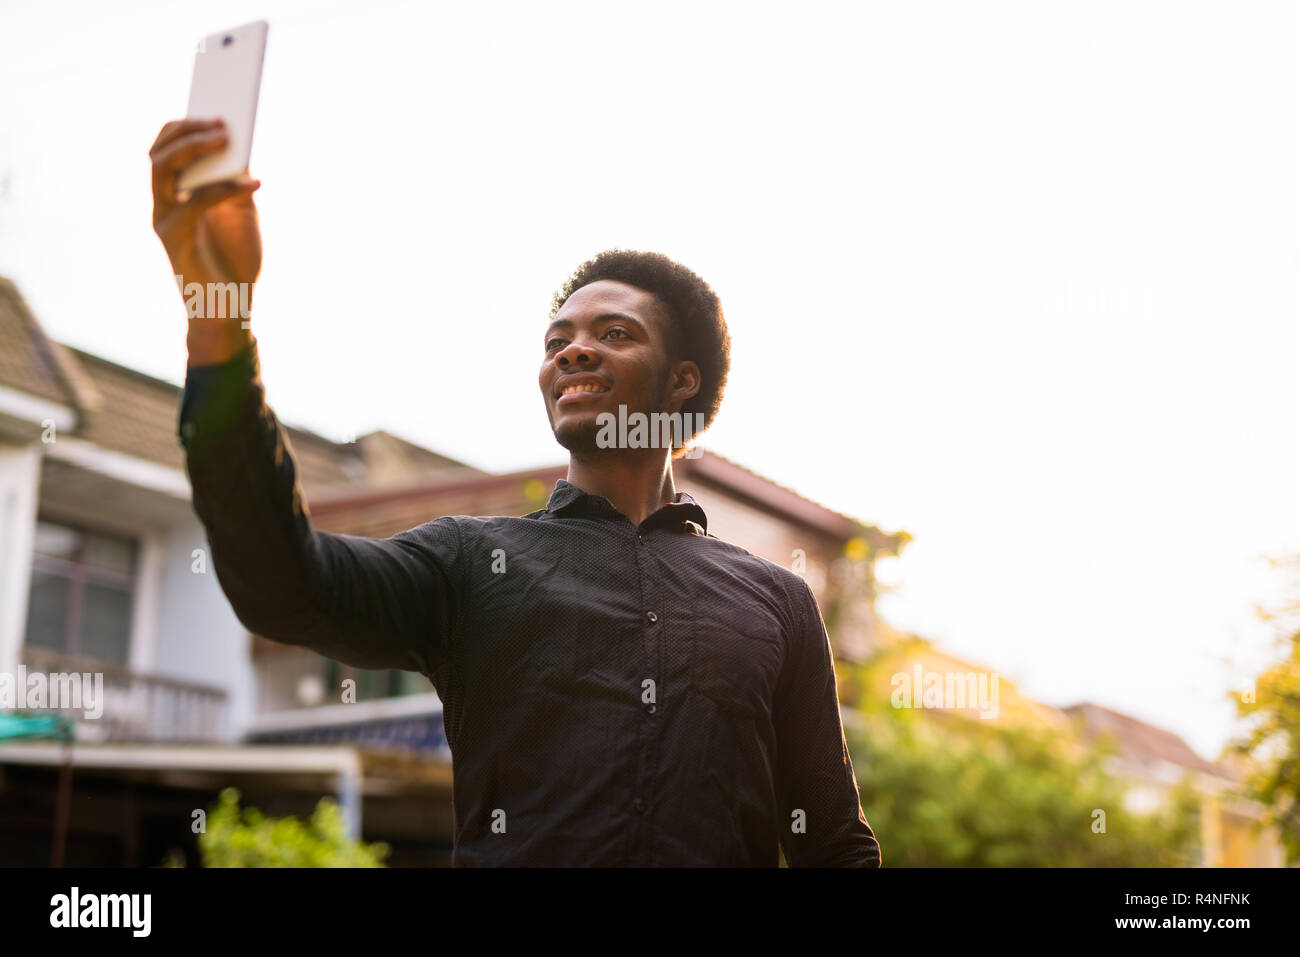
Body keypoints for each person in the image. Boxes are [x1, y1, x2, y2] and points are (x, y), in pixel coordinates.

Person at [149, 117, 882, 867]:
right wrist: (218, 313)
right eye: (556, 338)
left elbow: (832, 841)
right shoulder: (471, 561)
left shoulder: (777, 602)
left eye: (616, 333)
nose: (573, 348)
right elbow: (282, 583)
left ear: (681, 382)